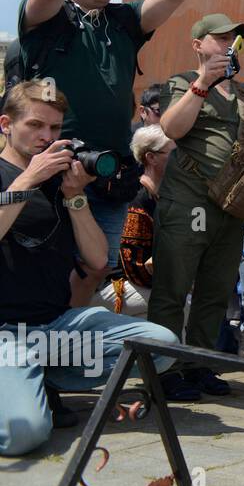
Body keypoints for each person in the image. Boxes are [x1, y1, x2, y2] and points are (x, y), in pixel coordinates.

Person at [13, 0, 190, 305]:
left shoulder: (122, 20)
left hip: (108, 171)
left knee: (98, 264)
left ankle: (66, 336)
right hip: (52, 165)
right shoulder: (47, 16)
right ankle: (36, 338)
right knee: (47, 263)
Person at [0, 81, 179, 455]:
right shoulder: (20, 176)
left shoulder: (61, 180)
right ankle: (20, 385)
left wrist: (75, 196)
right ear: (6, 124)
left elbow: (98, 260)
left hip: (52, 331)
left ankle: (35, 380)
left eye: (54, 129)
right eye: (35, 125)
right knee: (25, 435)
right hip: (6, 335)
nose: (46, 137)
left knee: (162, 348)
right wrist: (29, 179)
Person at [149, 14, 244, 401]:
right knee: (173, 287)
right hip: (189, 199)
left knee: (215, 291)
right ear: (198, 44)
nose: (228, 44)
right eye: (219, 38)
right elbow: (172, 128)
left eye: (233, 39)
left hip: (231, 205)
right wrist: (203, 82)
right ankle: (164, 367)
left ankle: (199, 363)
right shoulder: (181, 83)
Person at [88, 124, 175, 317]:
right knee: (174, 304)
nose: (179, 158)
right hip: (120, 286)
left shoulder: (161, 197)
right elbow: (136, 271)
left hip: (143, 283)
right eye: (173, 152)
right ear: (151, 158)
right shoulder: (137, 200)